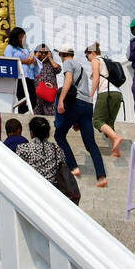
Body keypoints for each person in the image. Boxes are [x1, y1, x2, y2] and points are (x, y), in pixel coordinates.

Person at [54, 46, 108, 187]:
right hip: (88, 106)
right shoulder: (81, 67)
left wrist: (61, 101)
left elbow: (68, 81)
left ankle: (74, 167)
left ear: (62, 54)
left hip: (76, 104)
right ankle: (101, 176)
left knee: (59, 135)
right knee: (90, 144)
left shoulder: (67, 63)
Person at [87, 43, 123, 159]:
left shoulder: (95, 60)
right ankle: (116, 150)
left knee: (97, 121)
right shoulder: (107, 61)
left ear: (92, 53)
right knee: (109, 124)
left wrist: (91, 95)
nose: (87, 60)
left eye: (87, 56)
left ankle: (116, 138)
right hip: (117, 94)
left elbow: (96, 78)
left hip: (106, 93)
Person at [15, 116, 67, 187]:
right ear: (47, 133)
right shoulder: (57, 148)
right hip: (52, 192)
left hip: (32, 190)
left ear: (32, 132)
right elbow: (63, 166)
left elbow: (17, 171)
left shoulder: (22, 148)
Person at [4, 26, 38, 112]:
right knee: (22, 99)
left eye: (23, 37)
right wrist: (24, 61)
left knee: (33, 99)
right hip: (19, 77)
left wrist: (33, 62)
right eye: (20, 37)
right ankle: (22, 116)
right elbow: (8, 61)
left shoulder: (25, 49)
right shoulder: (10, 48)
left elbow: (29, 62)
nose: (22, 39)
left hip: (29, 77)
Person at [32, 43, 61, 115]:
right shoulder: (35, 64)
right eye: (41, 53)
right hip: (37, 97)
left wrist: (50, 58)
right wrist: (36, 57)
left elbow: (58, 69)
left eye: (45, 53)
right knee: (36, 118)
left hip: (49, 96)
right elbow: (29, 68)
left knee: (51, 116)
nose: (43, 55)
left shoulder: (51, 64)